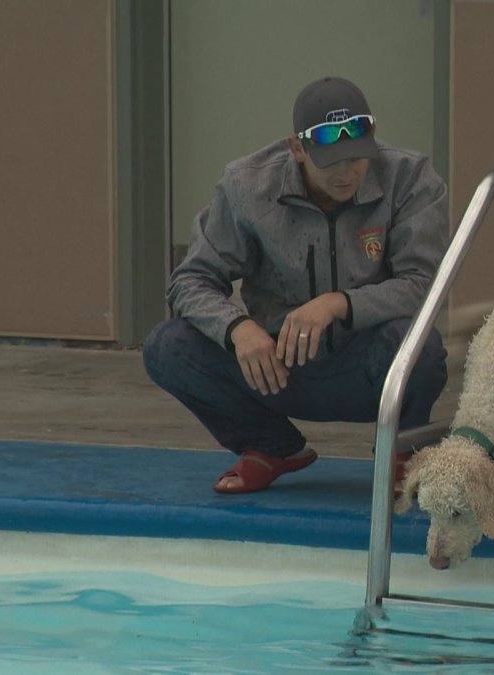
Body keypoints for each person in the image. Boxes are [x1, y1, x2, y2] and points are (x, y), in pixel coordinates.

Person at [142, 75, 449, 494]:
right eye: (331, 161)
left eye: (357, 158)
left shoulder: (411, 178)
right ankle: (271, 445)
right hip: (275, 370)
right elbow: (190, 280)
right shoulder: (246, 186)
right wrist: (237, 329)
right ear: (297, 148)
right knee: (167, 345)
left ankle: (401, 451)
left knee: (422, 346)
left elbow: (423, 285)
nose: (347, 173)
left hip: (371, 370)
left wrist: (337, 303)